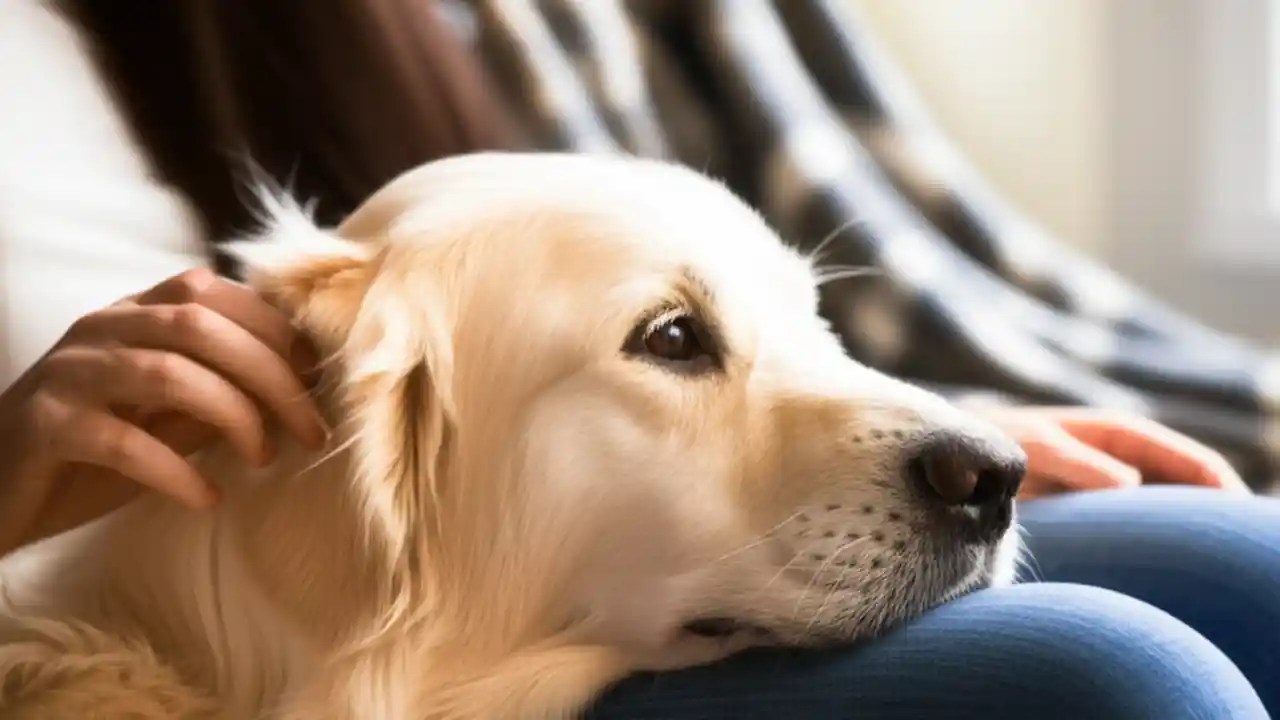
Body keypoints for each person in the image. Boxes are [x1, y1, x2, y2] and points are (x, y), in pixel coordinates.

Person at [0, 2, 1275, 718]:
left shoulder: (294, 36)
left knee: (1246, 564)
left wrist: (925, 430)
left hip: (520, 557)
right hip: (344, 641)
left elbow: (520, 331)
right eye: (676, 343)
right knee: (1118, 682)